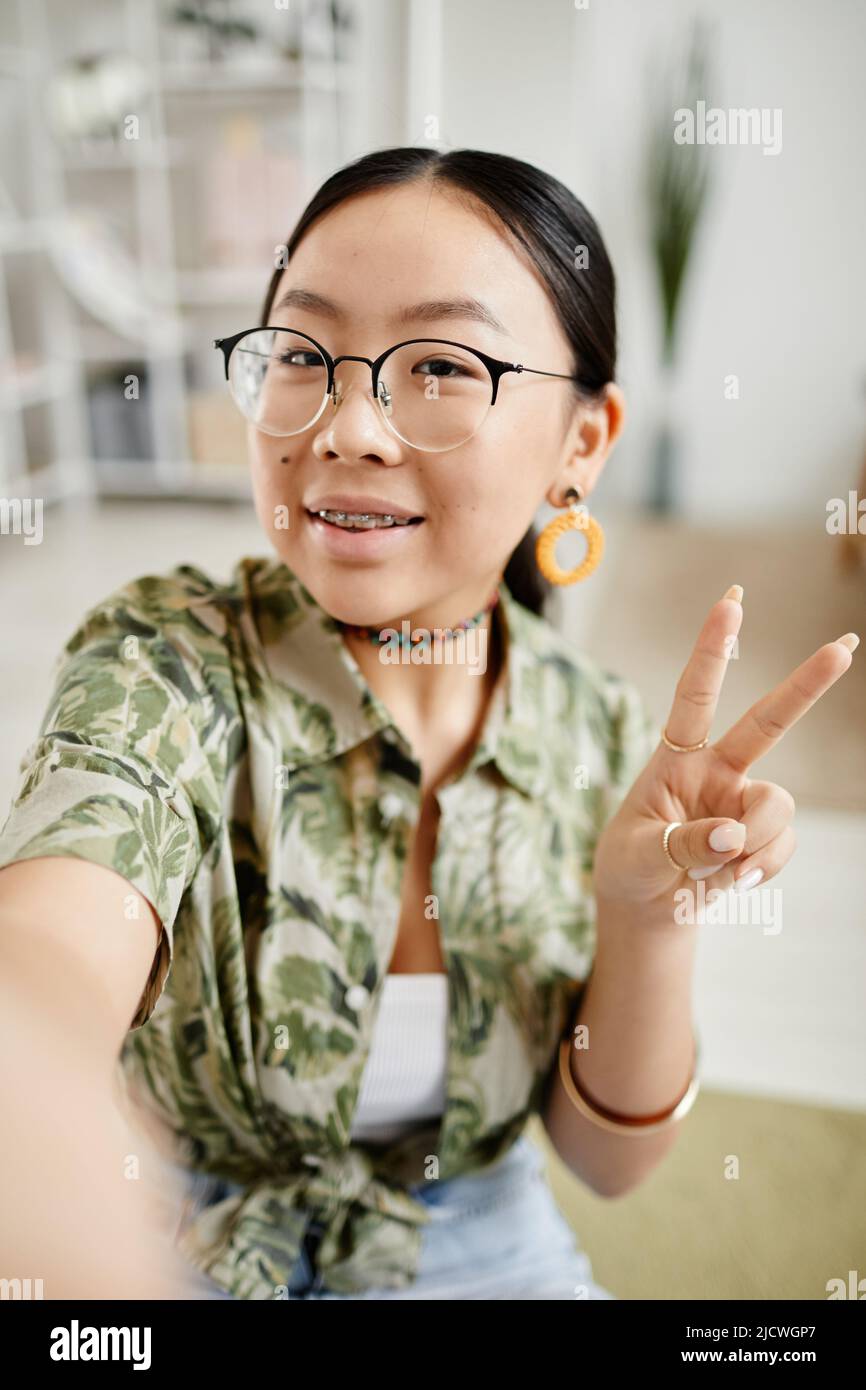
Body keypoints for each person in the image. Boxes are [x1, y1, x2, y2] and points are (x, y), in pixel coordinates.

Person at [0, 147, 857, 1301]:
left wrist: (644, 921)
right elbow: (47, 950)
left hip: (474, 1221)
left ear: (582, 444)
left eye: (441, 364)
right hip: (175, 1222)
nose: (347, 426)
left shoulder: (601, 738)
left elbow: (607, 1165)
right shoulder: (166, 660)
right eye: (303, 354)